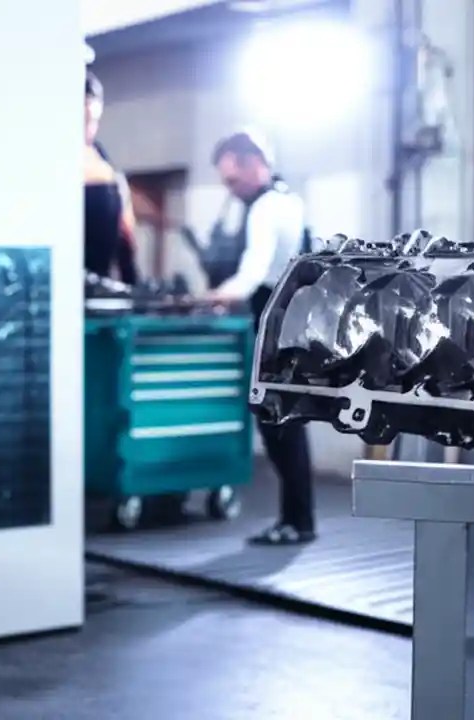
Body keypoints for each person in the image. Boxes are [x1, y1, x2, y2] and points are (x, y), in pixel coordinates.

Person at [205, 130, 315, 545]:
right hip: (295, 319)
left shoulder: (265, 209)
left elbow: (253, 272)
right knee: (289, 420)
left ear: (253, 163)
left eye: (233, 180)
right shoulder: (292, 201)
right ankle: (299, 518)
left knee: (276, 423)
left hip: (271, 320)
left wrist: (215, 296)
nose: (231, 191)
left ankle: (296, 522)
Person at [84, 71, 138, 284]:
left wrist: (131, 286)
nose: (88, 128)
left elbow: (126, 238)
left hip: (99, 285)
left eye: (92, 120)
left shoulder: (109, 170)